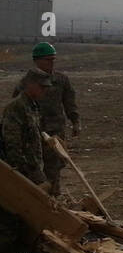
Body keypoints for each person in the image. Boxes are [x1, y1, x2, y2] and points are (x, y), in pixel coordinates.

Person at [11, 41, 79, 196]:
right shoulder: (26, 83)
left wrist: (75, 121)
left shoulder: (61, 80)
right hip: (34, 135)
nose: (51, 63)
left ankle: (54, 200)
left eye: (53, 59)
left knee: (54, 170)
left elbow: (69, 102)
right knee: (33, 171)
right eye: (47, 60)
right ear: (37, 60)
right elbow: (17, 109)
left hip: (55, 135)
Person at [0, 69, 52, 253]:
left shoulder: (33, 106)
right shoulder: (16, 108)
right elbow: (13, 145)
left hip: (33, 169)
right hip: (21, 172)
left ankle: (28, 248)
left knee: (35, 214)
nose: (45, 91)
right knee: (13, 217)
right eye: (41, 87)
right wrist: (25, 175)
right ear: (30, 85)